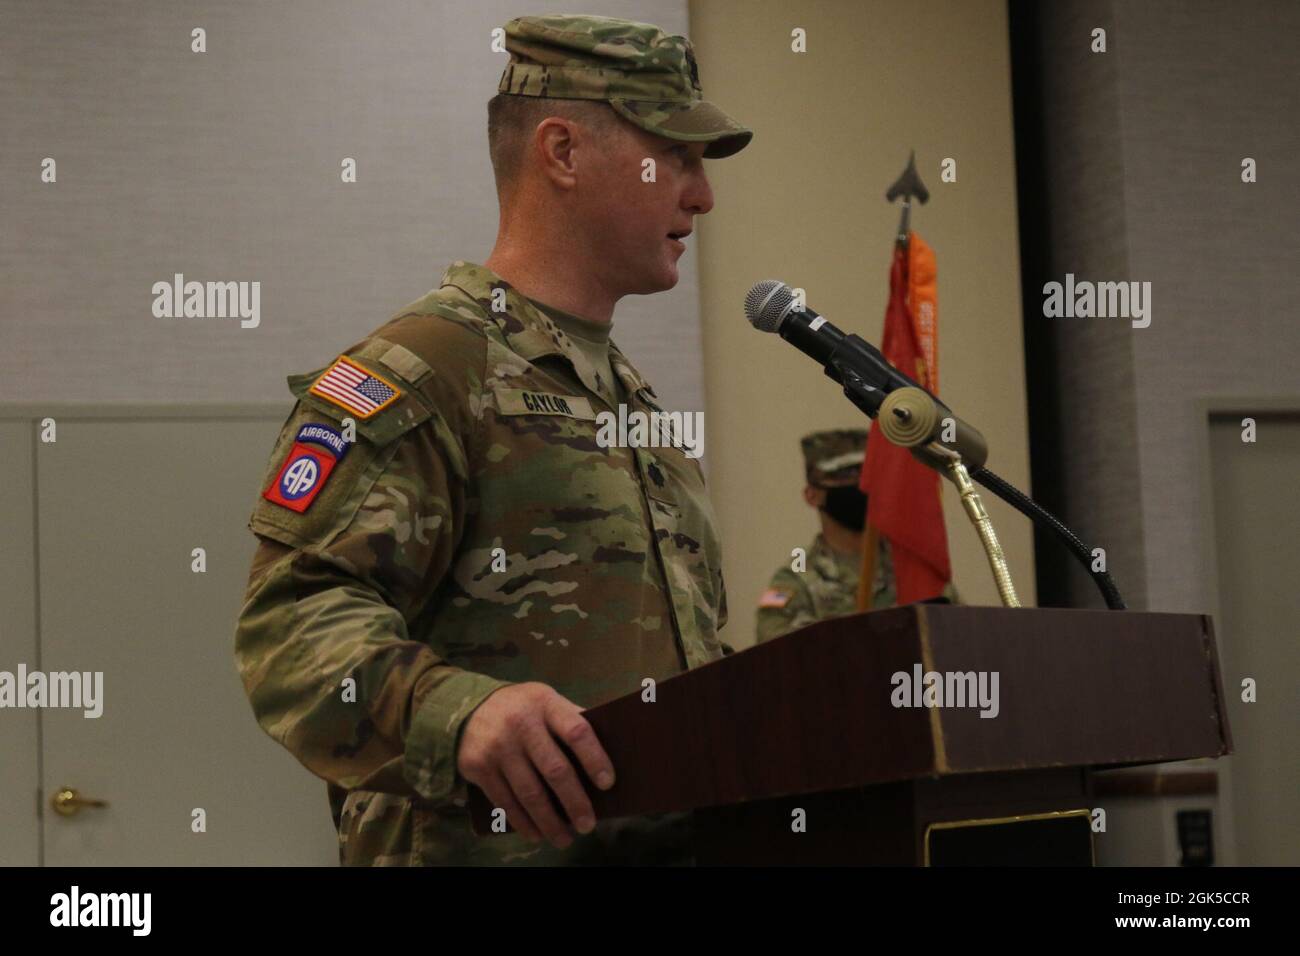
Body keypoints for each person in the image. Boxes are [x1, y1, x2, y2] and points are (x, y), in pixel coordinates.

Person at [233, 14, 751, 866]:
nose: (701, 193)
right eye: (678, 156)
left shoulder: (632, 401)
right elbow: (288, 627)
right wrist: (459, 710)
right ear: (562, 152)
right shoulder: (424, 371)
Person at [754, 429, 894, 644]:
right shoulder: (795, 580)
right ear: (812, 495)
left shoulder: (910, 568)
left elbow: (954, 634)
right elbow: (774, 658)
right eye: (844, 476)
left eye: (865, 474)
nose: (859, 485)